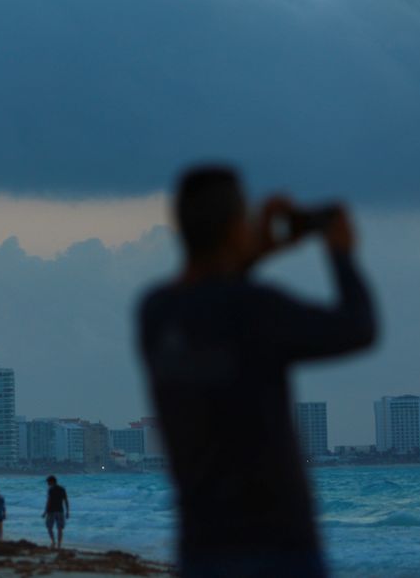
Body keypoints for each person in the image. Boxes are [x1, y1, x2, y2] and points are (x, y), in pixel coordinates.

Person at [137, 166, 377, 577]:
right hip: (278, 547)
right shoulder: (257, 309)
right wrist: (341, 252)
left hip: (201, 549)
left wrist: (249, 254)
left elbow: (210, 302)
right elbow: (358, 327)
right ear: (235, 227)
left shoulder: (156, 314)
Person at [41, 475, 69, 549]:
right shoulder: (62, 489)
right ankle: (59, 544)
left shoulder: (51, 489)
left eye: (48, 482)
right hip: (60, 511)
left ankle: (53, 541)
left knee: (49, 527)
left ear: (52, 481)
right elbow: (66, 500)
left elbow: (49, 501)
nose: (47, 483)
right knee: (59, 528)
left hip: (51, 511)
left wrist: (45, 512)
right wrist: (67, 511)